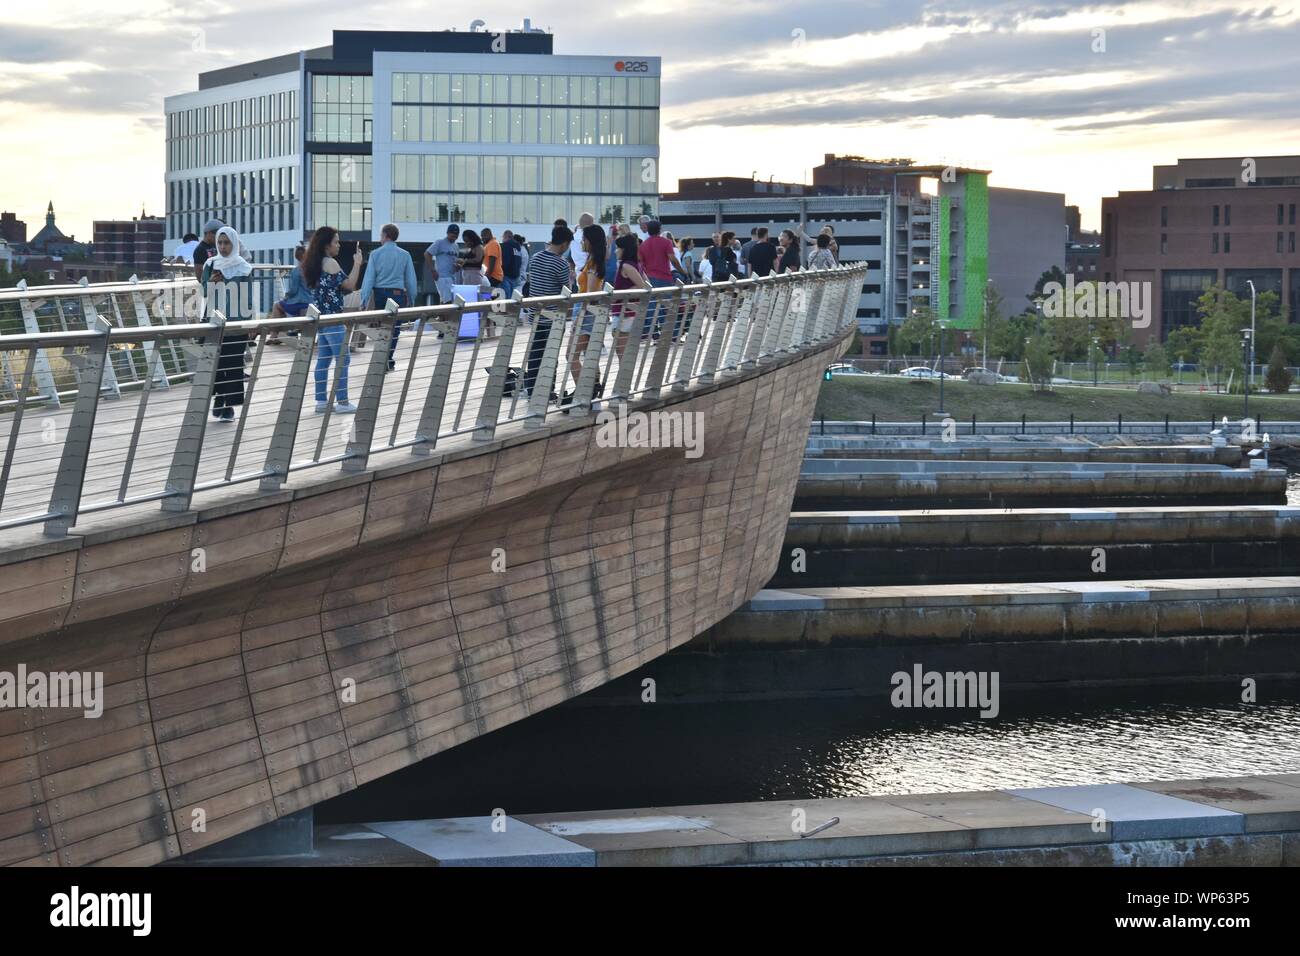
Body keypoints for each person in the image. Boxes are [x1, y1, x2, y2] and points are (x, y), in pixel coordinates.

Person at [304, 226, 364, 414]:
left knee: (323, 360)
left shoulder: (315, 262)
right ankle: (343, 402)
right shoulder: (330, 263)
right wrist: (357, 263)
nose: (339, 245)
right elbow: (350, 285)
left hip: (322, 319)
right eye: (336, 241)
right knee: (342, 358)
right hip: (333, 318)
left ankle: (321, 401)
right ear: (326, 244)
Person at [200, 226, 253, 422]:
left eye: (226, 243)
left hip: (236, 323)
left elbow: (247, 297)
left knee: (234, 365)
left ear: (234, 243)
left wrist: (249, 323)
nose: (222, 247)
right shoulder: (211, 264)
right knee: (217, 364)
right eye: (220, 243)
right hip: (214, 322)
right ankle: (219, 399)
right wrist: (212, 282)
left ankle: (229, 406)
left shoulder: (243, 266)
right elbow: (204, 293)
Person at [521, 224, 574, 398]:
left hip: (535, 315)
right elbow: (567, 292)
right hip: (553, 317)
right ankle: (547, 391)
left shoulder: (535, 257)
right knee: (550, 355)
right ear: (565, 243)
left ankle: (531, 389)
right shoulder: (561, 264)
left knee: (535, 353)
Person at [359, 223, 418, 371]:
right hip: (398, 294)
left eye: (381, 235)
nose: (380, 239)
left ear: (385, 236)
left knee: (383, 327)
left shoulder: (375, 254)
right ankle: (389, 357)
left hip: (380, 293)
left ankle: (381, 358)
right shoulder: (405, 254)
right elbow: (410, 280)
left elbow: (369, 279)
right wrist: (412, 298)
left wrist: (364, 299)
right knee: (395, 328)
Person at [567, 223, 608, 396]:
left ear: (591, 241)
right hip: (592, 312)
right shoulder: (595, 261)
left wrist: (578, 318)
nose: (582, 242)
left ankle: (584, 391)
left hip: (587, 312)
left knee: (571, 355)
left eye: (584, 239)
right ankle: (593, 387)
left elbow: (590, 294)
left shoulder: (592, 265)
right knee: (590, 355)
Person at [638, 219, 683, 338]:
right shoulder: (666, 242)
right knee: (667, 307)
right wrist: (682, 272)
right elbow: (672, 259)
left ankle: (652, 334)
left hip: (650, 280)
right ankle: (670, 335)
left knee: (652, 308)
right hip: (665, 278)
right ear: (660, 229)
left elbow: (640, 263)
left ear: (647, 230)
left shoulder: (643, 245)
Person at [611, 232, 651, 358]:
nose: (615, 251)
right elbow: (647, 284)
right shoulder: (636, 264)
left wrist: (621, 293)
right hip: (629, 311)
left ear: (624, 249)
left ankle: (624, 377)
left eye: (618, 248)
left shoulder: (627, 265)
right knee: (624, 349)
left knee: (622, 351)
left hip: (624, 312)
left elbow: (643, 286)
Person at [267, 244, 310, 344]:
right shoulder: (311, 270)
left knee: (277, 305)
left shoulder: (296, 270)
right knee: (283, 305)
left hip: (299, 304)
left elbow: (294, 290)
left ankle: (274, 335)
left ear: (297, 257)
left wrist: (287, 295)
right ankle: (281, 334)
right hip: (310, 303)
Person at [424, 224, 460, 305]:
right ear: (448, 233)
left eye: (456, 234)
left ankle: (441, 317)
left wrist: (457, 266)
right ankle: (445, 317)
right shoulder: (440, 242)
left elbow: (454, 260)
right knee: (448, 301)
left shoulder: (456, 246)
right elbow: (427, 254)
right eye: (452, 233)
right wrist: (433, 270)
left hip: (452, 277)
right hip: (442, 276)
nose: (454, 236)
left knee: (447, 300)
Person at [500, 230, 521, 298]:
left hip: (506, 276)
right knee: (512, 298)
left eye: (503, 237)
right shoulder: (517, 248)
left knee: (506, 297)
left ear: (506, 237)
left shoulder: (505, 246)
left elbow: (505, 261)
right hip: (515, 276)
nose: (502, 239)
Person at [482, 227, 504, 291]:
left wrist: (486, 277)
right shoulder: (490, 244)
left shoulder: (493, 244)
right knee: (488, 295)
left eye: (483, 236)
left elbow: (492, 262)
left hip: (493, 275)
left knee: (487, 295)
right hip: (492, 275)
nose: (482, 238)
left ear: (488, 235)